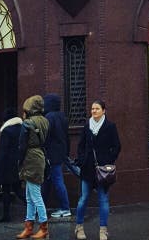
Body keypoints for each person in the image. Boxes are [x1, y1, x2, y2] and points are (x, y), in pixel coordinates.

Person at [74, 100, 121, 240]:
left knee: (103, 200)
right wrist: (82, 160)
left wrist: (109, 161)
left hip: (103, 170)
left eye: (97, 108)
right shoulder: (87, 126)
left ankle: (103, 230)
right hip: (87, 169)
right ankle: (79, 227)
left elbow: (117, 146)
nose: (94, 111)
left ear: (104, 110)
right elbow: (80, 145)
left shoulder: (110, 126)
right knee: (83, 199)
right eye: (92, 108)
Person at [17, 95, 50, 239]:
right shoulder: (45, 121)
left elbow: (22, 145)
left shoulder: (27, 123)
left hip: (30, 158)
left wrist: (19, 161)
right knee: (30, 195)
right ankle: (29, 227)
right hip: (40, 155)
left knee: (35, 196)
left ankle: (43, 227)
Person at [0, 107, 24, 224]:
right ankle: (34, 208)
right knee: (18, 189)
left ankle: (6, 215)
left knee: (6, 190)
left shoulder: (6, 131)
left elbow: (3, 150)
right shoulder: (22, 128)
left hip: (7, 164)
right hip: (18, 163)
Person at [43, 93, 71, 219]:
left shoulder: (49, 117)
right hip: (60, 154)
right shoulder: (62, 117)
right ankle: (44, 206)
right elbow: (67, 137)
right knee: (53, 180)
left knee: (56, 180)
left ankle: (65, 208)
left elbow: (46, 137)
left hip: (51, 155)